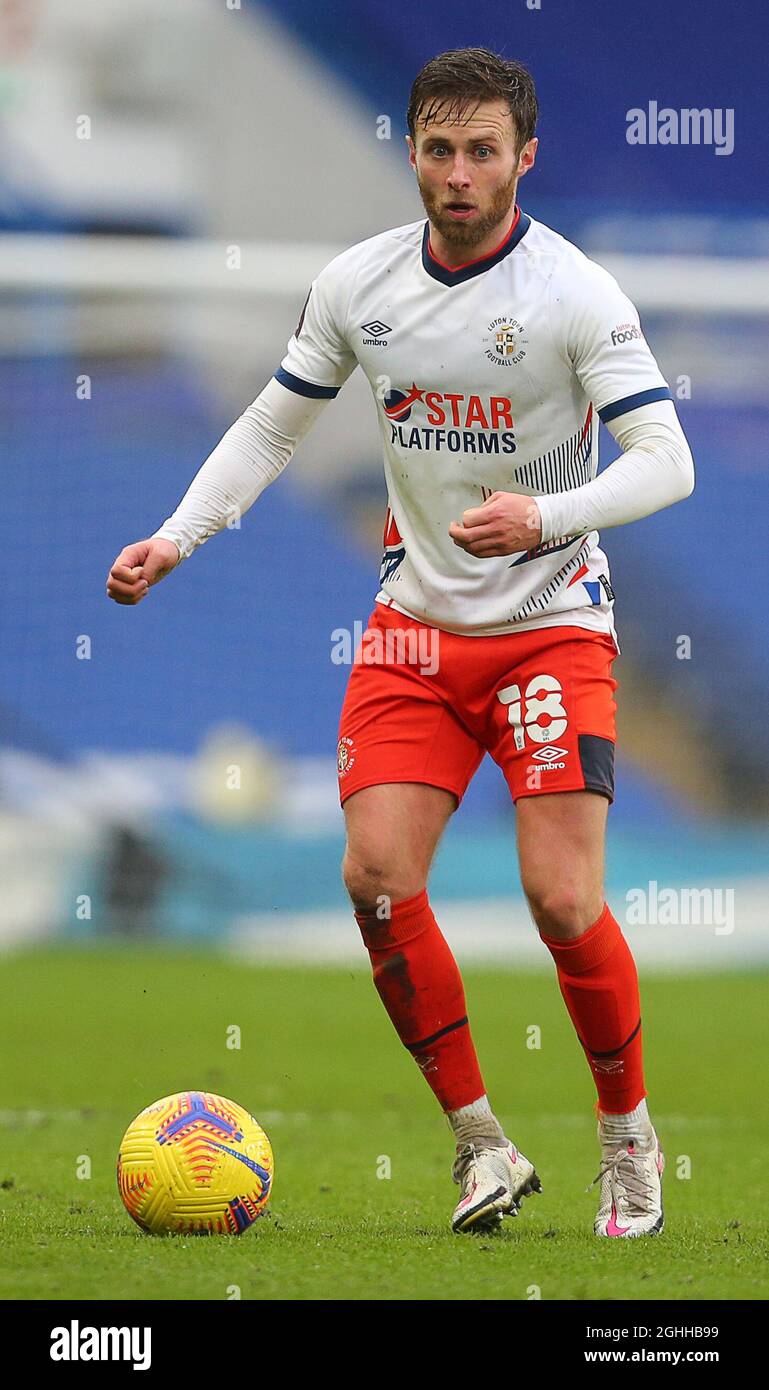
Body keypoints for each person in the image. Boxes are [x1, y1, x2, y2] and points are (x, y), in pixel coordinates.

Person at [107, 47, 694, 1237]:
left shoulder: (575, 295)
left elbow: (666, 462)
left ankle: (628, 1137)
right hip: (413, 636)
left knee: (562, 898)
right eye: (439, 148)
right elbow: (274, 426)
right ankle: (480, 1143)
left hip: (547, 630)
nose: (460, 173)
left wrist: (548, 513)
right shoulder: (358, 284)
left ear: (524, 158)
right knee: (375, 878)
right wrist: (178, 535)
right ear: (412, 150)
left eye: (484, 151)